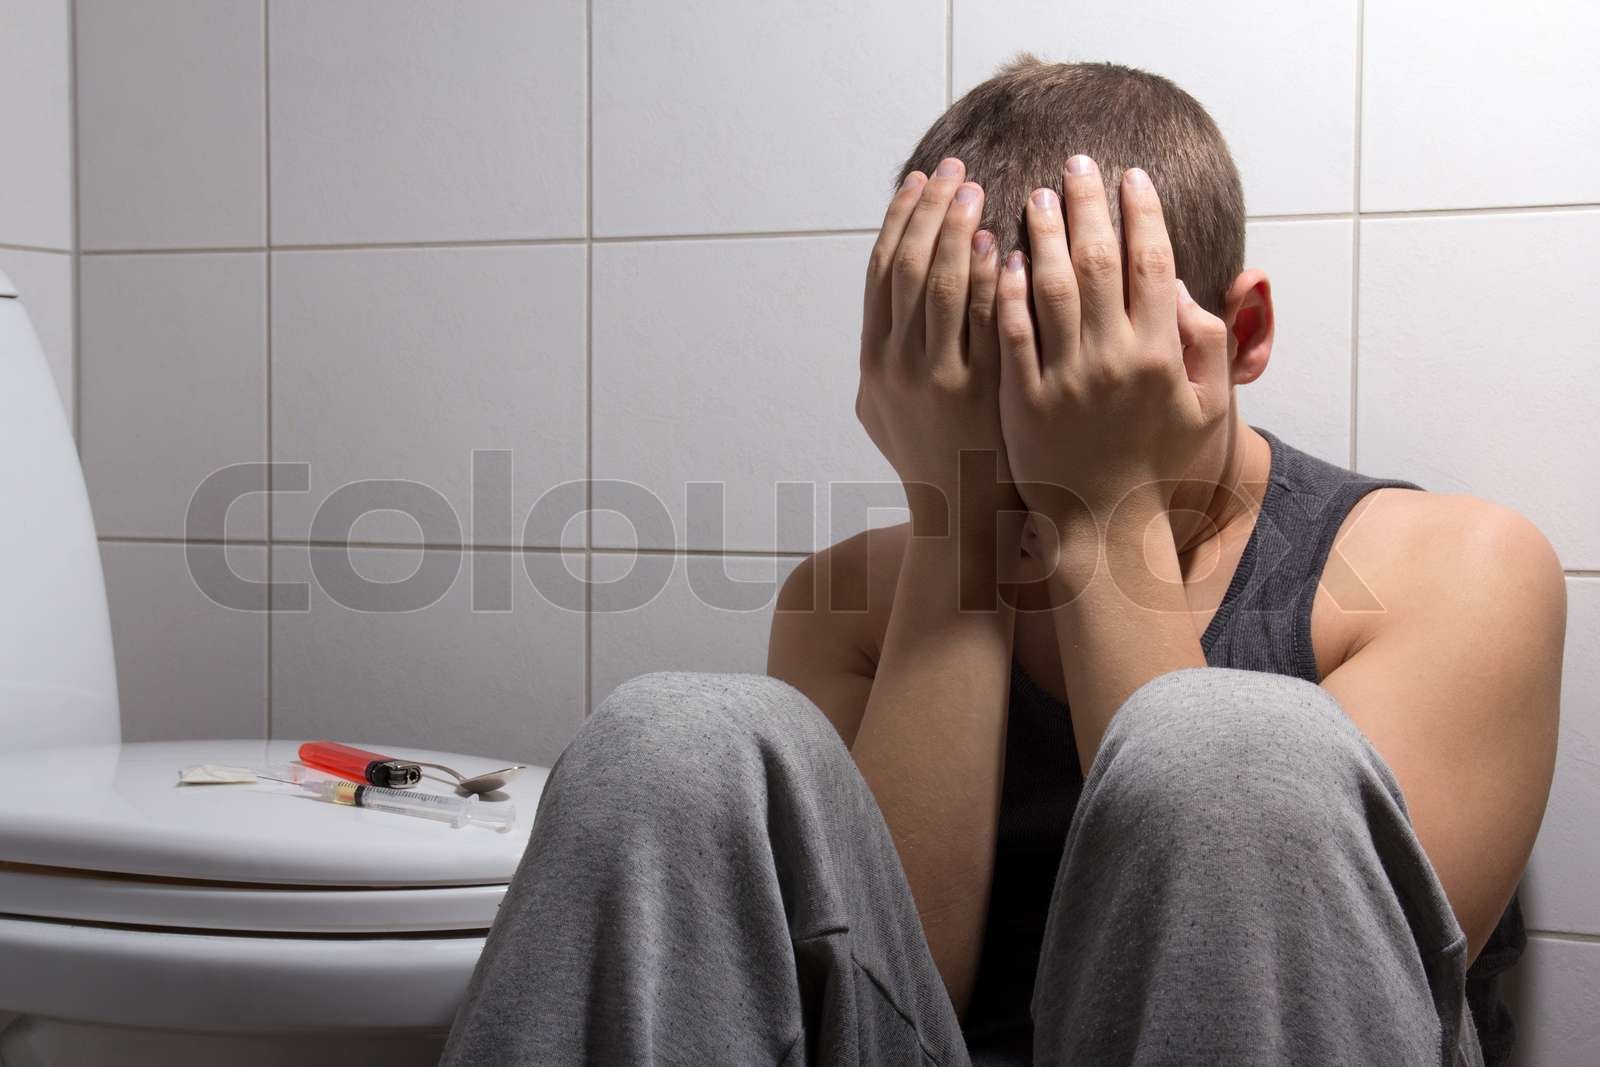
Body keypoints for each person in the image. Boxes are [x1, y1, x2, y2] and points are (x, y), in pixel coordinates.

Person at [441, 58, 1564, 1066]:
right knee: (668, 733)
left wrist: (1103, 508)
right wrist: (955, 523)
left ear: (1244, 336)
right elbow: (888, 985)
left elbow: (1329, 995)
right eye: (988, 389)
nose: (1031, 443)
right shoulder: (850, 601)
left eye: (1080, 378)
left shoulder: (1457, 568)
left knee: (1228, 741)